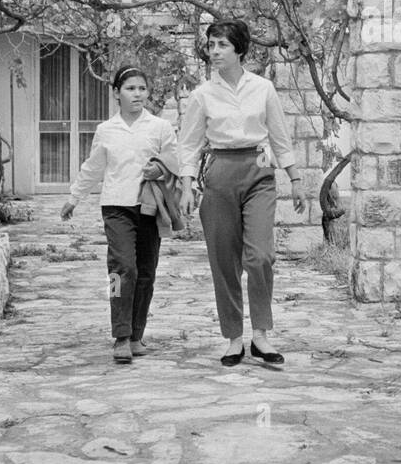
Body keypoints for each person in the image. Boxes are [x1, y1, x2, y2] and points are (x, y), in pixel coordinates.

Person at [178, 20, 306, 367]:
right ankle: (234, 338)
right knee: (224, 262)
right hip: (219, 174)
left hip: (258, 172)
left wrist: (295, 179)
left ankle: (261, 335)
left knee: (260, 257)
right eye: (211, 44)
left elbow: (279, 137)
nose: (214, 51)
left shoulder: (262, 88)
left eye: (221, 45)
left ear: (240, 50)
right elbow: (188, 145)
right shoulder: (202, 95)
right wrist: (187, 186)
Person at [61, 66, 180, 365]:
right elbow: (94, 167)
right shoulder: (106, 130)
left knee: (146, 272)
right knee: (120, 268)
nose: (137, 94)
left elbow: (176, 161)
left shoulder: (160, 127)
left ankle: (137, 335)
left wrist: (161, 169)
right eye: (130, 88)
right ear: (116, 93)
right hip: (116, 207)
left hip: (150, 207)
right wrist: (74, 197)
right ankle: (121, 336)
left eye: (142, 88)